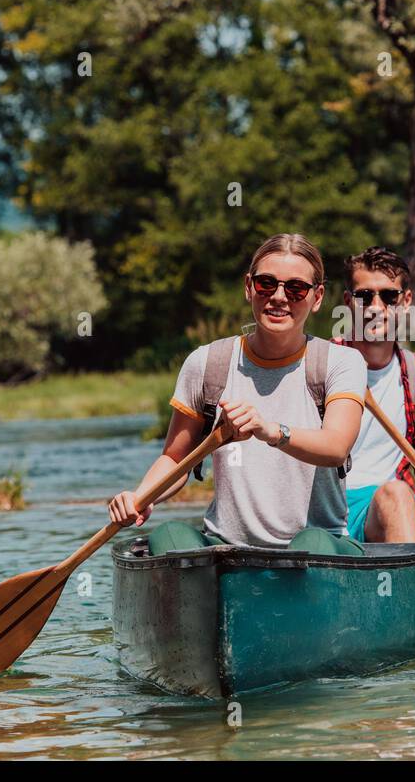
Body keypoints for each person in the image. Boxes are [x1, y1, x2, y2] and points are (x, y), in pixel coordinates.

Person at [108, 234, 367, 549]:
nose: (279, 297)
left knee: (311, 543)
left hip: (322, 543)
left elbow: (336, 447)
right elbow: (176, 460)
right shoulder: (207, 363)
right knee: (167, 537)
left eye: (296, 288)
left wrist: (271, 431)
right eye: (266, 284)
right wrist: (141, 496)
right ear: (249, 287)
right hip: (229, 548)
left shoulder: (341, 362)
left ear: (317, 297)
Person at [337, 246, 415, 543]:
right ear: (348, 302)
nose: (375, 307)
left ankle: (408, 585)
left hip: (400, 504)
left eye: (389, 296)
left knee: (396, 494)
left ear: (405, 301)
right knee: (395, 496)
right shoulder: (321, 364)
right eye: (364, 296)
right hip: (331, 510)